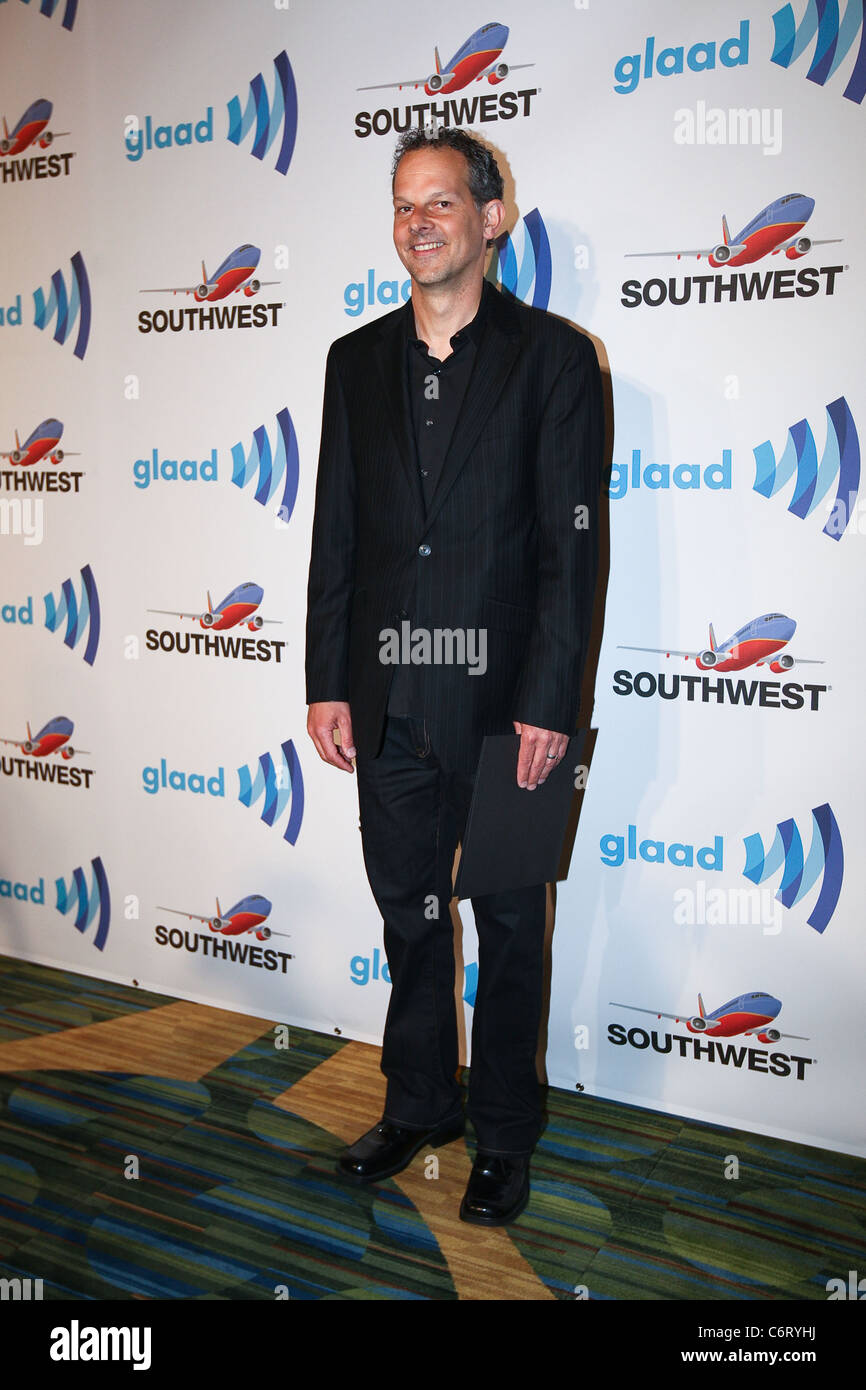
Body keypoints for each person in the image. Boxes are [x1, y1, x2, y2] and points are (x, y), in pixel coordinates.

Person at [305, 127, 603, 1225]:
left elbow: (571, 549)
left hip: (505, 707)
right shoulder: (352, 362)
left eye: (439, 202)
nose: (417, 221)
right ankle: (420, 1099)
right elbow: (336, 531)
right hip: (386, 699)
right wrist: (327, 676)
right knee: (412, 916)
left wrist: (548, 701)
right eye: (401, 204)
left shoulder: (554, 361)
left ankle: (506, 1136)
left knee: (512, 921)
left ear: (490, 218)